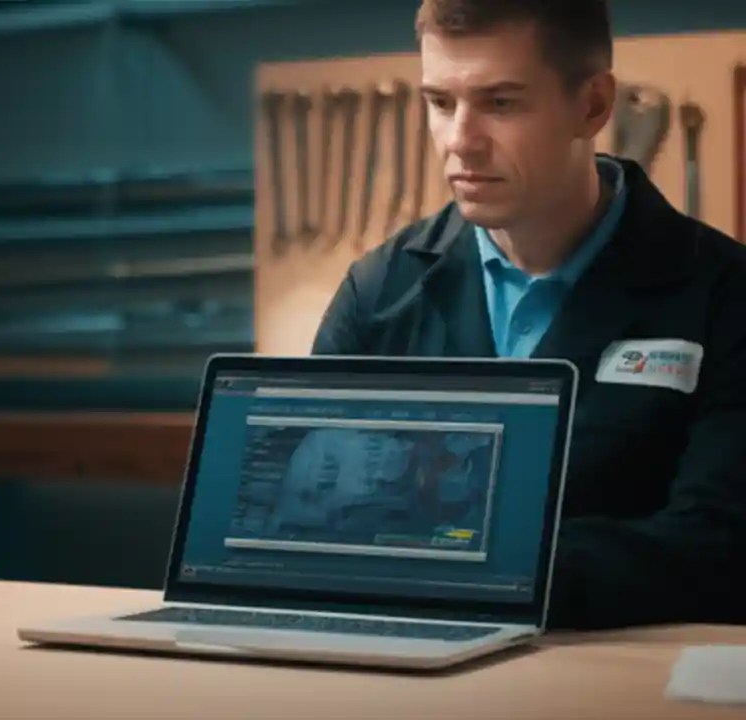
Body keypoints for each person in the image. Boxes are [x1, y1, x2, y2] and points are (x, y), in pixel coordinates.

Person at [311, 0, 746, 630]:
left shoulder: (723, 295)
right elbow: (299, 519)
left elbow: (721, 548)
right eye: (440, 102)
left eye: (501, 103)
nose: (461, 139)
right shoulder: (378, 292)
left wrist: (482, 565)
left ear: (593, 106)